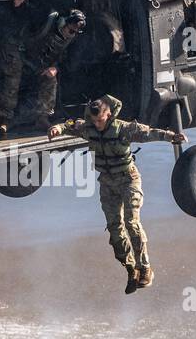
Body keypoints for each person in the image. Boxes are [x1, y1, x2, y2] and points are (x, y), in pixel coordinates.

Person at [49, 95, 186, 294]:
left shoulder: (123, 129)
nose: (98, 125)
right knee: (114, 229)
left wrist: (170, 136)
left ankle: (145, 267)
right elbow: (69, 125)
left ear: (109, 115)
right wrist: (57, 129)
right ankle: (131, 269)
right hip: (107, 182)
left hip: (128, 179)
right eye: (95, 121)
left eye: (101, 120)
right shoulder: (88, 128)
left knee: (132, 223)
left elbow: (147, 133)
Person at [0, 4, 86, 137]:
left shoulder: (70, 39)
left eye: (75, 33)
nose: (71, 35)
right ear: (63, 22)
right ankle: (4, 118)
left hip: (37, 63)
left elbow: (69, 60)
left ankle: (42, 117)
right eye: (71, 31)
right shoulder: (45, 19)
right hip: (18, 51)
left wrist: (55, 68)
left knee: (51, 79)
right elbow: (22, 20)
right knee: (14, 72)